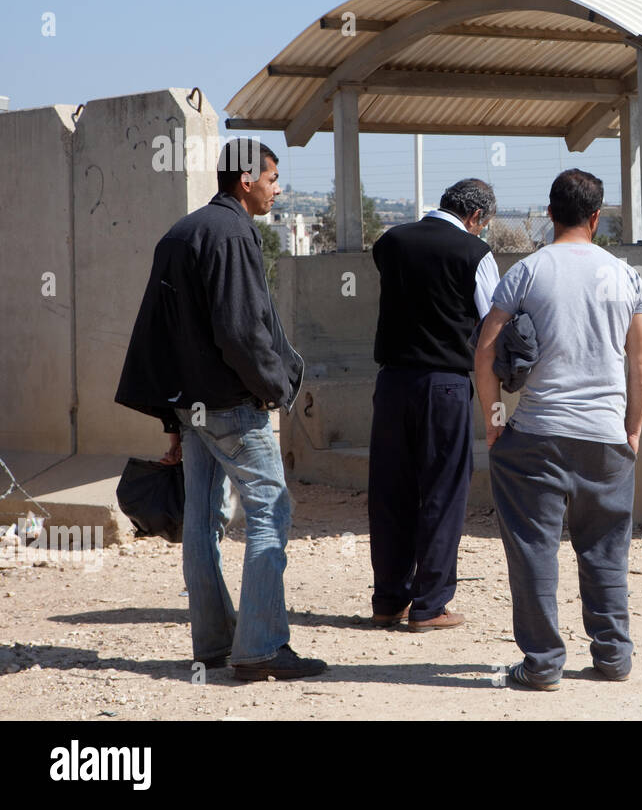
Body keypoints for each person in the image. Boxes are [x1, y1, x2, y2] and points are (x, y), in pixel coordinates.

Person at [115, 138, 325, 681]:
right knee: (270, 512)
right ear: (246, 179)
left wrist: (171, 418)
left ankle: (212, 644)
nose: (279, 190)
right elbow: (240, 330)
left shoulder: (182, 232)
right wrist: (273, 387)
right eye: (274, 179)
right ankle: (259, 648)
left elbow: (157, 335)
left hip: (192, 409)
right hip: (232, 406)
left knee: (202, 522)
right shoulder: (232, 233)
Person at [475, 169, 642, 691]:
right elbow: (641, 363)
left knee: (533, 548)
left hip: (536, 434)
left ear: (550, 213)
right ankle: (613, 656)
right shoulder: (626, 276)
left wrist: (494, 423)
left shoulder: (526, 272)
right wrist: (633, 429)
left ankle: (543, 664)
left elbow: (485, 352)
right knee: (605, 548)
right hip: (605, 438)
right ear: (597, 217)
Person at [368, 178, 500, 632]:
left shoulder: (391, 242)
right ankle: (431, 605)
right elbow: (493, 324)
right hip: (445, 386)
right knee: (442, 493)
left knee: (390, 493)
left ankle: (388, 601)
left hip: (391, 385)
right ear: (477, 217)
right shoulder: (475, 254)